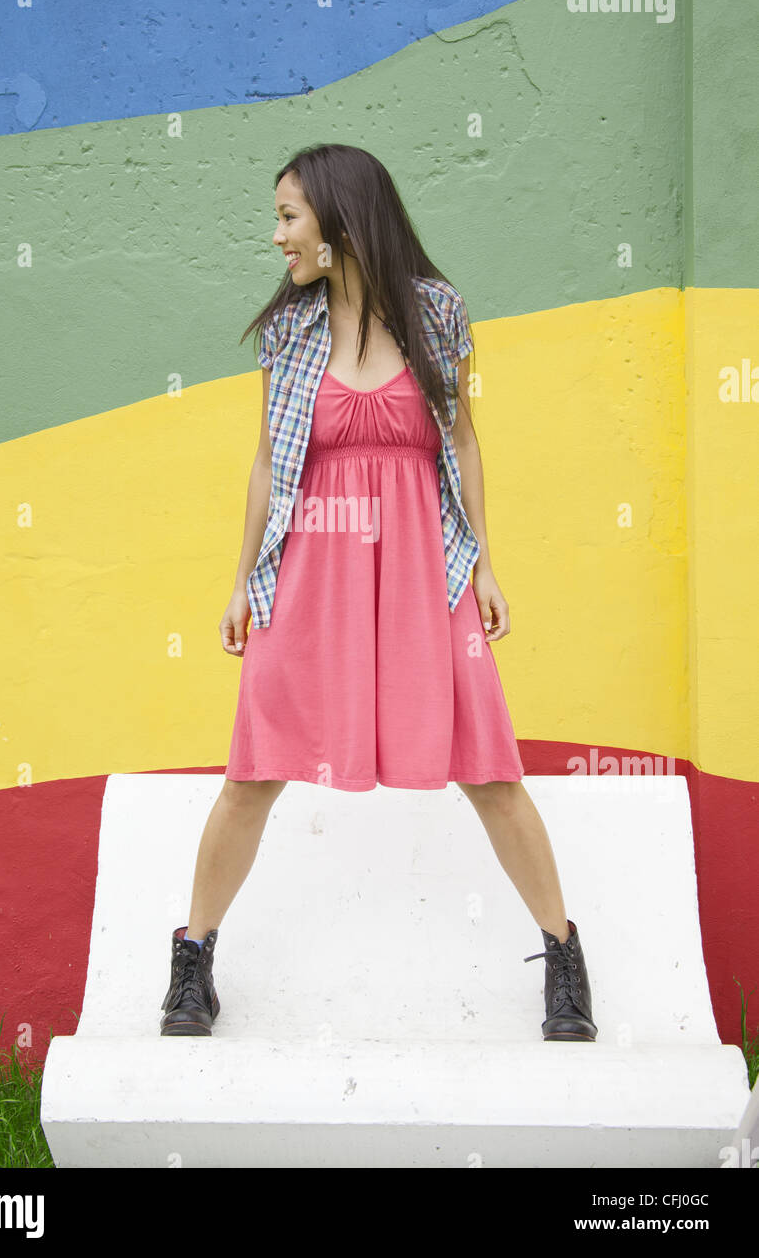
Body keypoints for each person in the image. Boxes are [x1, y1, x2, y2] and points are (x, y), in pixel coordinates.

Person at [160, 143, 597, 1044]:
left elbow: (464, 444)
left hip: (421, 565)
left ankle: (563, 960)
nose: (276, 235)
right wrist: (243, 578)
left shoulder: (436, 313)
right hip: (311, 569)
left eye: (288, 216)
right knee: (252, 772)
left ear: (341, 220)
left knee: (489, 768)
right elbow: (265, 462)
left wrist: (484, 563)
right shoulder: (289, 330)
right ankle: (193, 964)